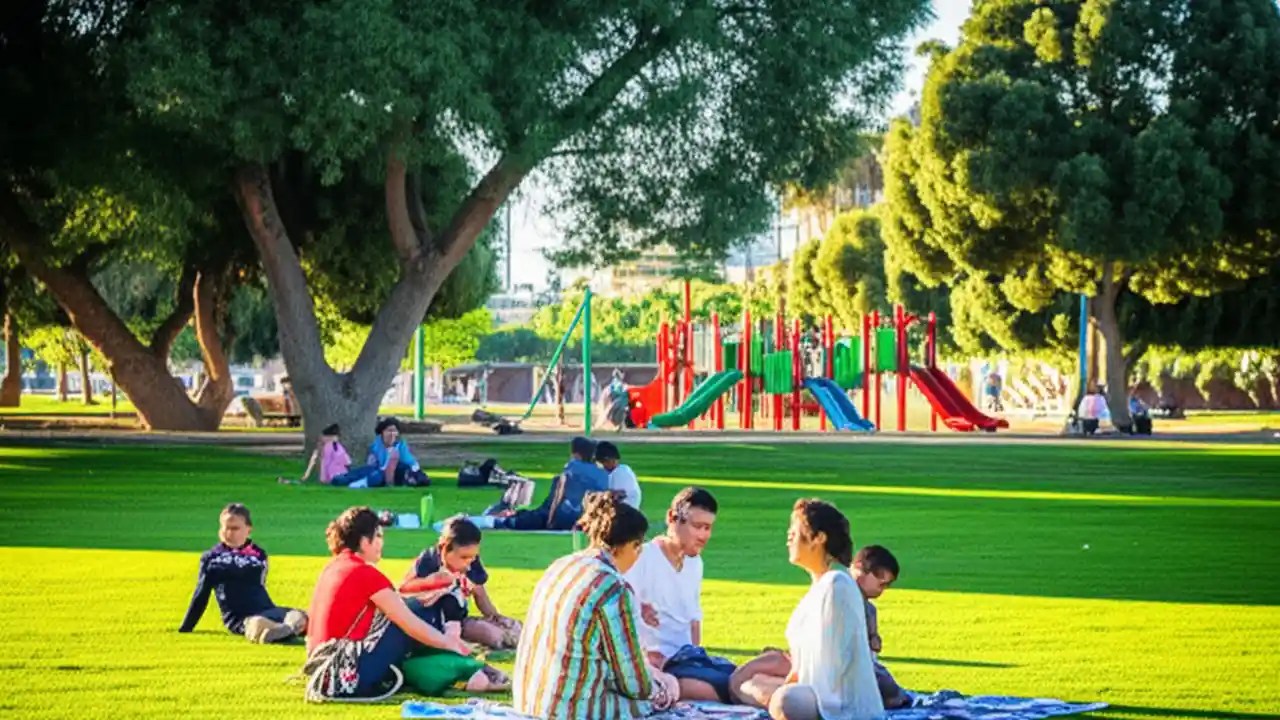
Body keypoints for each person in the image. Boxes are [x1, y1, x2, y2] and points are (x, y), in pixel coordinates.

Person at [512, 492, 679, 720]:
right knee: (663, 694)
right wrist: (663, 684)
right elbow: (634, 683)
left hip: (529, 699)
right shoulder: (612, 587)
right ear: (632, 545)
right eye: (638, 547)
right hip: (569, 710)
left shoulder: (561, 565)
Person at [306, 506, 493, 699]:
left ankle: (456, 666)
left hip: (322, 667)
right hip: (346, 672)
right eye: (378, 536)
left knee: (417, 609)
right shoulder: (366, 574)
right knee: (422, 612)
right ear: (363, 540)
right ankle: (462, 665)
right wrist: (450, 643)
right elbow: (408, 622)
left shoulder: (332, 568)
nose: (382, 543)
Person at [730, 499, 882, 720]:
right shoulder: (819, 588)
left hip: (840, 702)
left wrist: (784, 690)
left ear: (819, 538)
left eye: (795, 529)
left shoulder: (837, 585)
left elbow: (836, 666)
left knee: (786, 700)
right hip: (811, 689)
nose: (789, 536)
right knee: (748, 684)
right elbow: (803, 664)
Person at [624, 487, 734, 702]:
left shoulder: (695, 563)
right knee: (727, 690)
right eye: (697, 527)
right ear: (672, 519)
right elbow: (621, 613)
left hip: (688, 660)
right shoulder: (642, 557)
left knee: (739, 677)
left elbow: (694, 619)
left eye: (708, 528)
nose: (704, 536)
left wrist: (696, 654)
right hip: (659, 666)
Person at [179, 503, 308, 643]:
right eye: (225, 528)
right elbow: (201, 594)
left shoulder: (259, 554)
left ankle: (285, 630)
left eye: (235, 528)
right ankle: (285, 631)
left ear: (248, 529)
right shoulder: (212, 558)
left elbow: (260, 585)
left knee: (298, 614)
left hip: (267, 609)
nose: (229, 533)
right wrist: (186, 627)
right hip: (241, 619)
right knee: (258, 623)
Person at [401, 516, 522, 649]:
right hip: (431, 621)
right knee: (493, 636)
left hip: (459, 619)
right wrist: (430, 582)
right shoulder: (430, 560)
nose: (468, 562)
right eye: (464, 557)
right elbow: (404, 588)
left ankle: (517, 640)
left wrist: (496, 617)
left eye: (473, 557)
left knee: (515, 627)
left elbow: (480, 593)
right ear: (443, 549)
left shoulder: (470, 563)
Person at [480, 436, 609, 530]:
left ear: (576, 454)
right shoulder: (602, 474)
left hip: (563, 518)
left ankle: (485, 521)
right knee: (526, 514)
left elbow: (559, 496)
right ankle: (498, 516)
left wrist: (550, 520)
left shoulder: (572, 468)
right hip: (587, 522)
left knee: (526, 519)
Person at [852, 545, 910, 709]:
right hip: (850, 667)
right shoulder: (842, 596)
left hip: (864, 664)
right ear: (859, 571)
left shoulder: (870, 609)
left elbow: (872, 640)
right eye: (881, 584)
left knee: (884, 679)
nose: (882, 590)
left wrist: (874, 638)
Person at [281, 423, 383, 487]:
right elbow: (327, 463)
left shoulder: (335, 447)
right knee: (361, 473)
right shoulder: (330, 447)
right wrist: (323, 479)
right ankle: (360, 483)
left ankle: (365, 480)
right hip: (336, 477)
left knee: (365, 470)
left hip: (341, 475)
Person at [367, 417, 429, 487]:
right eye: (389, 431)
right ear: (382, 432)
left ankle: (411, 480)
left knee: (406, 469)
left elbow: (409, 460)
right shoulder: (376, 445)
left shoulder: (400, 444)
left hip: (400, 470)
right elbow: (377, 464)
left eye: (394, 431)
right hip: (381, 472)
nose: (392, 434)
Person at [596, 441, 641, 509]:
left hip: (625, 515)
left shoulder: (620, 473)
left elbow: (618, 495)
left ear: (609, 460)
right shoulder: (621, 470)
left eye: (601, 463)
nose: (602, 466)